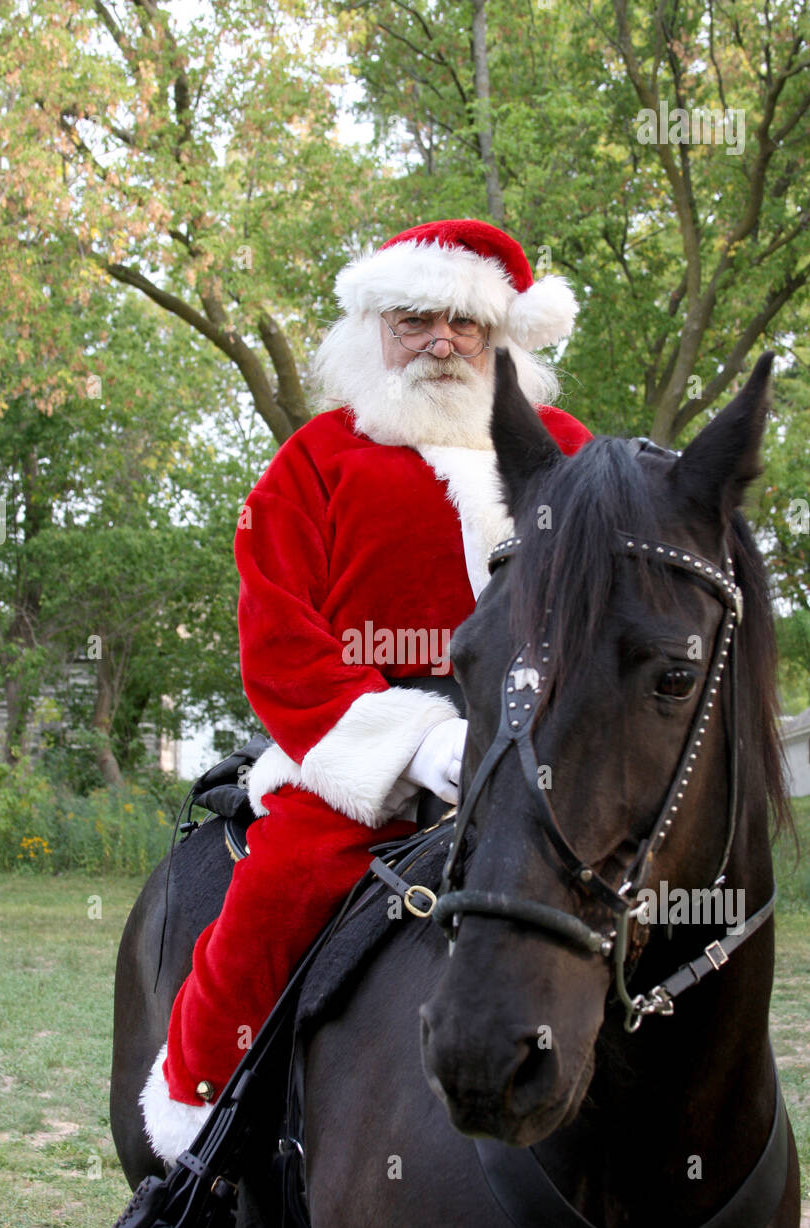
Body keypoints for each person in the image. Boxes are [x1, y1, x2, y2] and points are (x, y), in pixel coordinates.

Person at [141, 219, 592, 1164]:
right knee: (280, 887)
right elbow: (279, 639)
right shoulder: (314, 460)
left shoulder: (569, 453)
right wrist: (416, 743)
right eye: (414, 318)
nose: (440, 341)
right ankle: (195, 1166)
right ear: (371, 331)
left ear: (501, 335)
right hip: (367, 750)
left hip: (549, 749)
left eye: (464, 323)